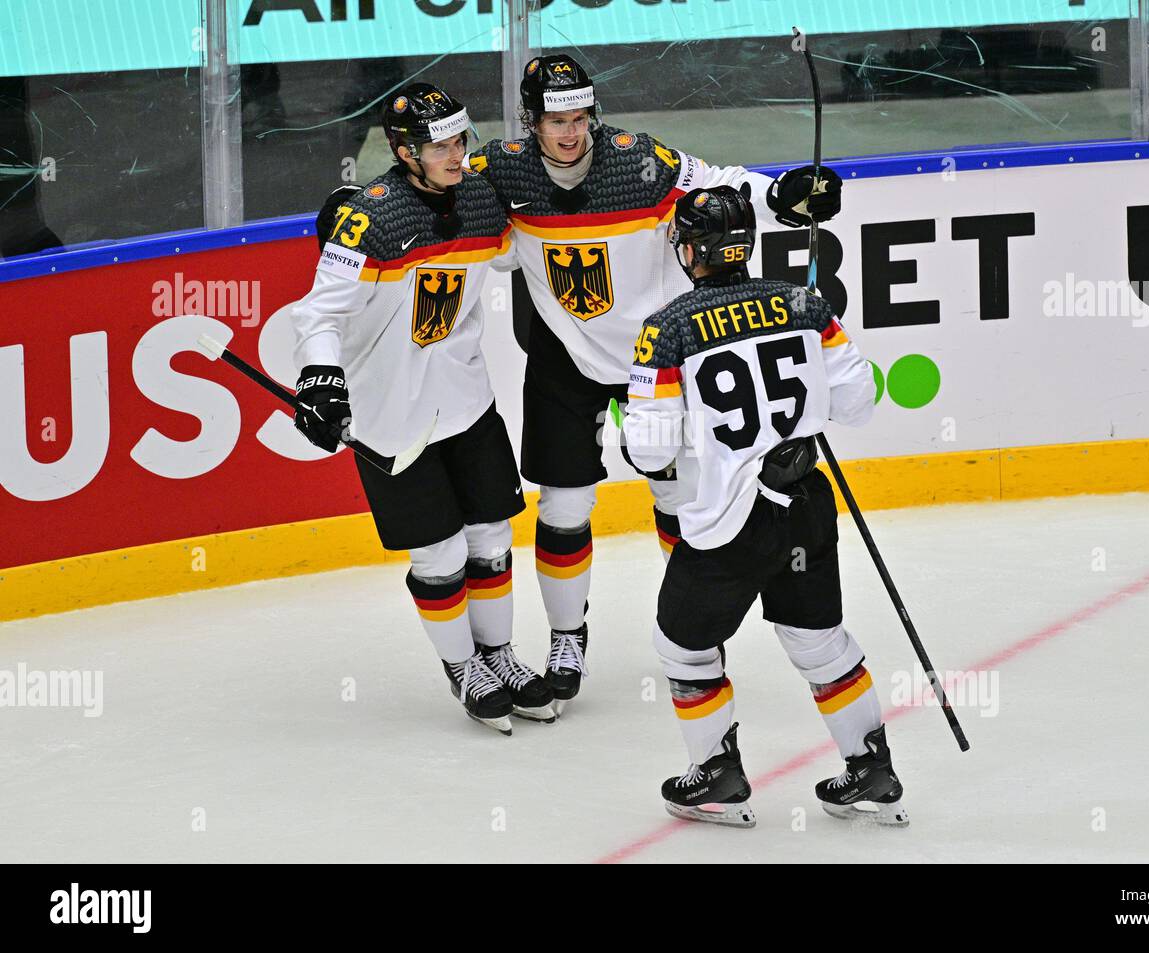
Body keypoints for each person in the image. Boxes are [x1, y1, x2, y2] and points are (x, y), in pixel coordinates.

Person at [467, 54, 842, 714]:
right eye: (557, 120)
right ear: (532, 121)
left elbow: (721, 187)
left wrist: (784, 194)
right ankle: (566, 635)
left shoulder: (639, 160)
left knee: (680, 492)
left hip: (661, 349)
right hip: (566, 353)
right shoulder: (502, 172)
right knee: (563, 506)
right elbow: (437, 195)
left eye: (581, 117)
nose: (571, 132)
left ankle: (689, 621)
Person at [622, 185, 908, 828]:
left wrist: (631, 432)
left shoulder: (666, 329)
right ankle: (872, 767)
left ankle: (718, 776)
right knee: (820, 642)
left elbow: (650, 451)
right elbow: (858, 403)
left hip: (729, 517)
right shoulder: (806, 303)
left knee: (683, 647)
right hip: (806, 502)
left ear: (690, 250)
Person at [289, 83, 553, 735]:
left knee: (491, 539)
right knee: (437, 554)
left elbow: (518, 252)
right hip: (394, 420)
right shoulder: (370, 216)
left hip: (467, 401)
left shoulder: (478, 201)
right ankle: (463, 665)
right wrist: (320, 374)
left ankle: (500, 656)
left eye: (461, 140)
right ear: (406, 151)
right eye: (441, 146)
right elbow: (318, 311)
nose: (457, 154)